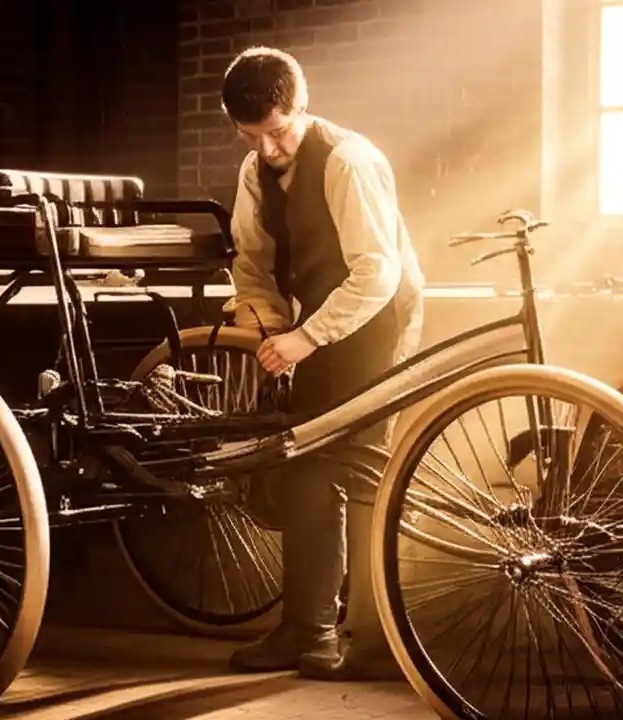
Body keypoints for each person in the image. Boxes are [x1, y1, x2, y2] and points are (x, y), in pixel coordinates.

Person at [218, 46, 425, 680]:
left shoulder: (349, 162)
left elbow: (377, 272)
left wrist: (308, 338)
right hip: (315, 326)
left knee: (361, 473)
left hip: (377, 317)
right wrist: (272, 328)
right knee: (303, 464)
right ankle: (304, 629)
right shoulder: (256, 171)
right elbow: (252, 264)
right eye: (252, 136)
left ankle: (372, 642)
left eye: (277, 132)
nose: (269, 148)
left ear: (300, 108)